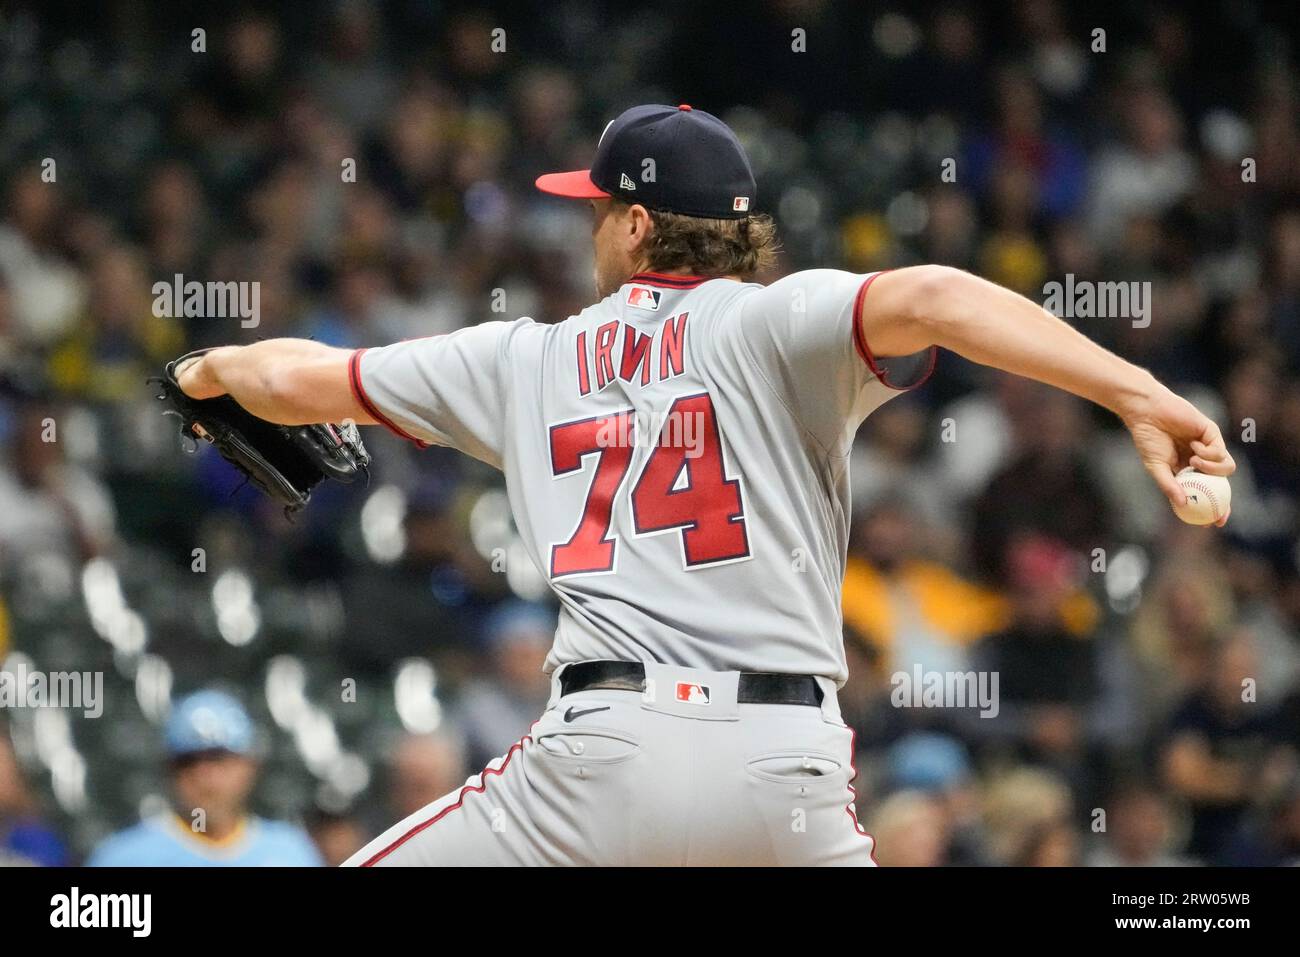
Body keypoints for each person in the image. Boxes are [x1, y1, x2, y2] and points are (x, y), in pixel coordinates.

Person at [172, 104, 1234, 866]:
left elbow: (291, 378)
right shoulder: (780, 323)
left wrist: (196, 372)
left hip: (597, 764)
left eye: (596, 208)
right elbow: (941, 295)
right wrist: (1135, 391)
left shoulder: (521, 358)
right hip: (782, 766)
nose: (587, 225)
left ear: (637, 224)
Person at [87, 689, 321, 866]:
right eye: (188, 762)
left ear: (249, 766)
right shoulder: (125, 858)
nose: (204, 775)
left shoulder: (290, 852)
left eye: (218, 758)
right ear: (168, 771)